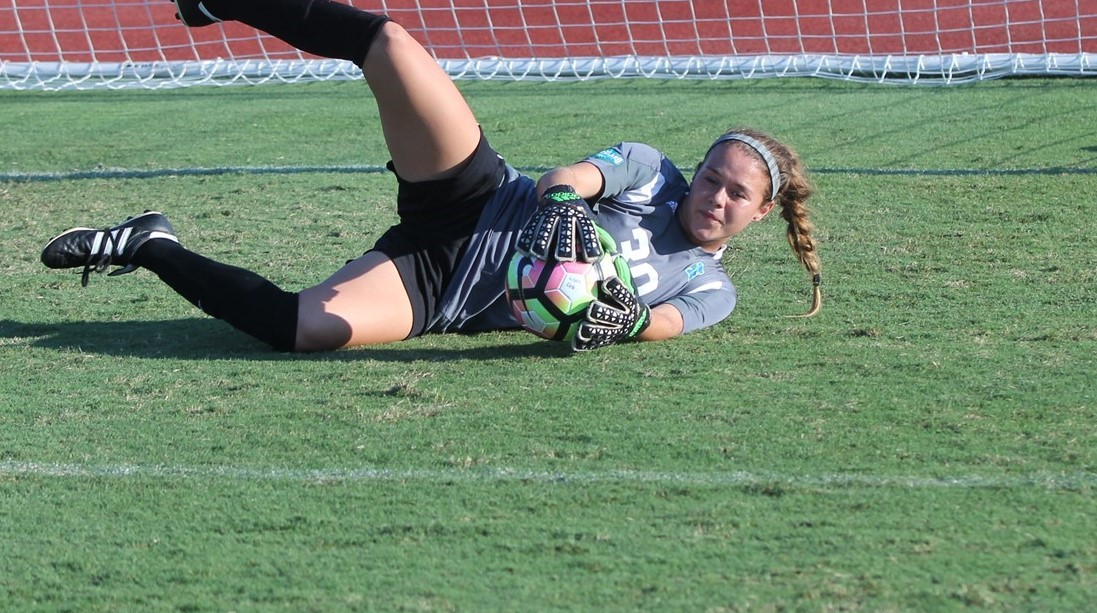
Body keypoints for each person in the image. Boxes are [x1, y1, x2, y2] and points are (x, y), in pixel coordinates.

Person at [40, 0, 822, 353]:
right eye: (713, 177)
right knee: (392, 45)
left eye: (734, 193)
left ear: (760, 214)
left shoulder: (712, 289)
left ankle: (149, 245)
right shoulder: (654, 173)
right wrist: (559, 209)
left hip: (444, 286)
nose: (712, 196)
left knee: (300, 330)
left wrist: (609, 320)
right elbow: (568, 178)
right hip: (478, 193)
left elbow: (660, 325)